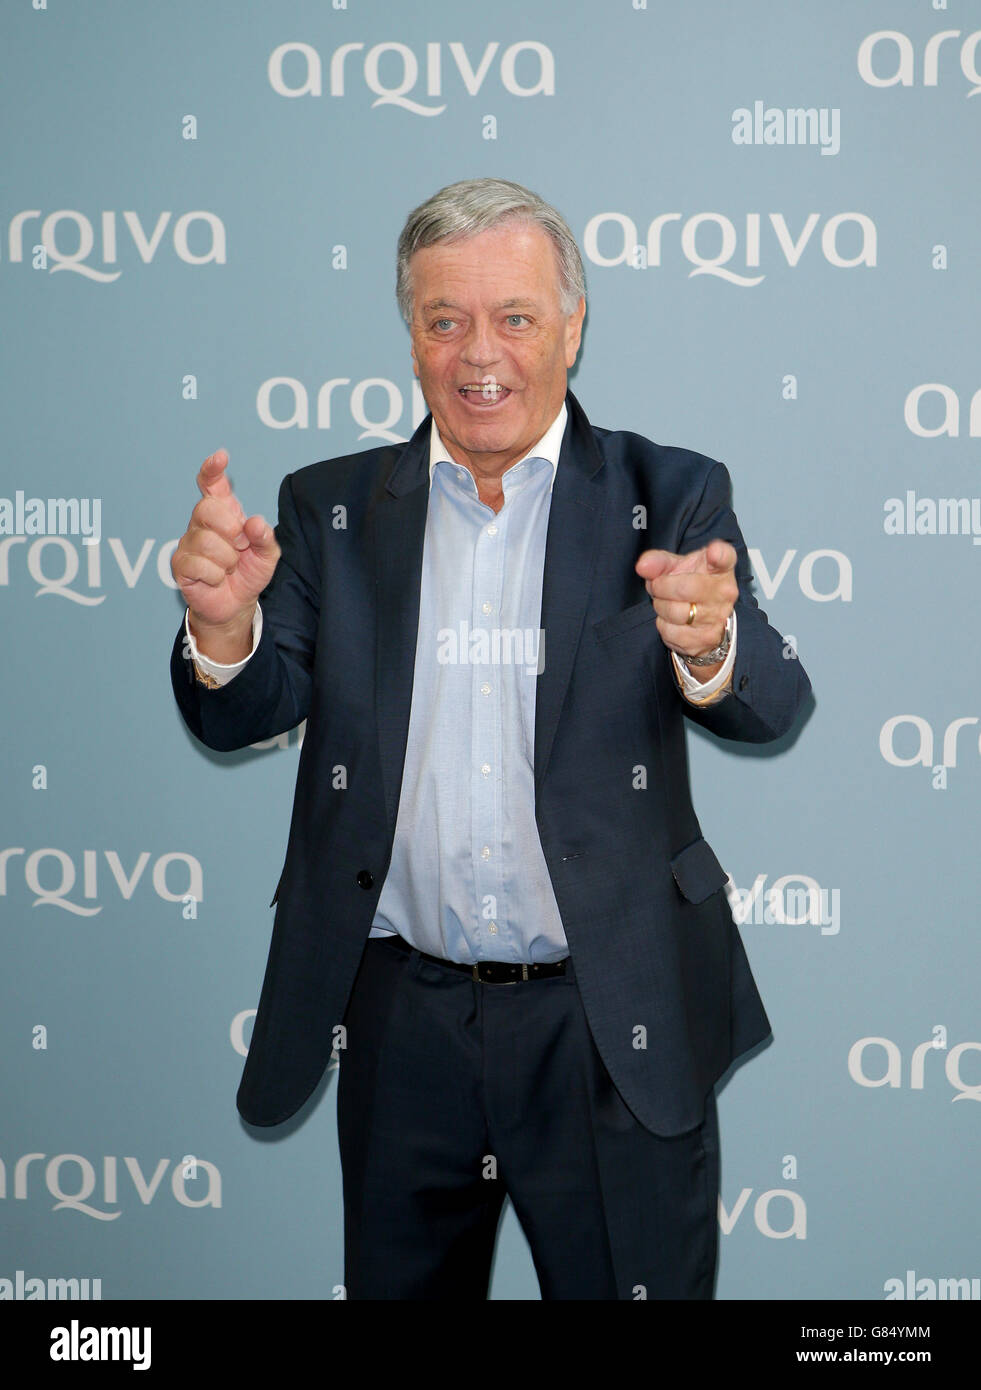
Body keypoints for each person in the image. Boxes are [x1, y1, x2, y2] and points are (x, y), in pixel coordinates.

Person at [170, 177, 811, 1300]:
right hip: (402, 1022)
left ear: (572, 325)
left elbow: (771, 701)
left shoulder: (671, 494)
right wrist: (224, 634)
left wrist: (706, 648)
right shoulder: (329, 507)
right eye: (444, 319)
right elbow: (247, 709)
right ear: (409, 334)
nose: (481, 354)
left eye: (515, 316)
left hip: (613, 1019)